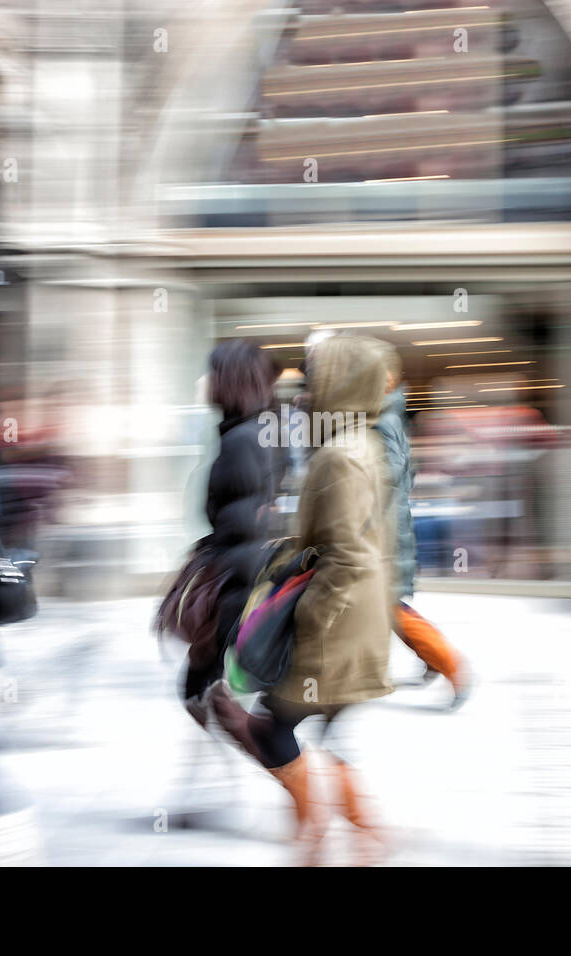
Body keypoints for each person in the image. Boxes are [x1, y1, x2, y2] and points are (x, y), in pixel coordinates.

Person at [248, 334, 394, 866]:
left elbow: (349, 554)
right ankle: (362, 833)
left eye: (315, 380)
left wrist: (310, 615)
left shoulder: (341, 454)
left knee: (270, 726)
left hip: (336, 625)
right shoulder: (362, 440)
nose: (307, 392)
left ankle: (317, 835)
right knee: (326, 728)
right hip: (358, 619)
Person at [175, 340, 283, 755]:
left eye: (213, 372)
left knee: (203, 692)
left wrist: (225, 618)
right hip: (245, 582)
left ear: (229, 381)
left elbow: (239, 530)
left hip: (237, 586)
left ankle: (288, 773)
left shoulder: (241, 441)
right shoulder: (259, 429)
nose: (205, 381)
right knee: (207, 692)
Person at [372, 341, 470, 708]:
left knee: (387, 605)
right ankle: (434, 659)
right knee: (387, 605)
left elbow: (394, 472)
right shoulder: (387, 413)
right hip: (387, 526)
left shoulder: (382, 418)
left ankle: (451, 664)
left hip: (384, 530)